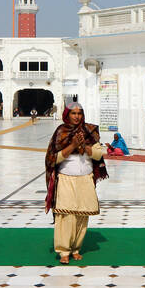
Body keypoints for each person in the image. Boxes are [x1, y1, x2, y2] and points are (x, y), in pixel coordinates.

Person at [45, 103, 108, 263]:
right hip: (65, 179)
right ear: (67, 114)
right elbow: (52, 158)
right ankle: (64, 251)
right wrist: (72, 145)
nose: (77, 116)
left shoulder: (90, 130)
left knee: (82, 214)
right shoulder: (61, 131)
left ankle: (76, 248)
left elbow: (98, 154)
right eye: (73, 113)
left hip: (85, 179)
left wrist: (84, 147)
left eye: (79, 113)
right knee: (65, 215)